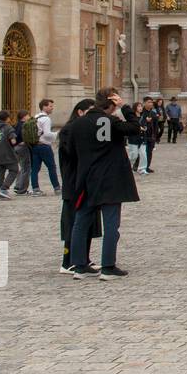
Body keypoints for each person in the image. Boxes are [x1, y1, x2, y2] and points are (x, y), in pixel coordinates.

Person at [62, 87, 141, 280]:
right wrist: (125, 107)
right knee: (111, 224)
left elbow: (71, 153)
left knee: (80, 224)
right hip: (109, 179)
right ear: (112, 102)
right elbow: (134, 128)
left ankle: (79, 266)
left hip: (86, 179)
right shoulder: (108, 121)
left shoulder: (77, 124)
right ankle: (108, 267)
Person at [56, 99, 100, 274]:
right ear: (80, 112)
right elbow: (73, 155)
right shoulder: (69, 130)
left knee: (88, 223)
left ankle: (84, 258)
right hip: (74, 182)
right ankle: (68, 261)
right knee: (73, 222)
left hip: (87, 181)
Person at [29, 98, 61, 196]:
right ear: (44, 107)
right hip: (44, 146)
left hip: (35, 145)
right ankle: (57, 188)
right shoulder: (46, 119)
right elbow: (47, 134)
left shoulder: (36, 116)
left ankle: (35, 189)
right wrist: (57, 134)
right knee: (51, 167)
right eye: (50, 106)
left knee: (35, 168)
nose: (52, 108)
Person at [0, 110, 19, 200]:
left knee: (0, 173)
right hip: (7, 155)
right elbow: (13, 140)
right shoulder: (8, 127)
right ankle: (4, 188)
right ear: (7, 118)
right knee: (14, 170)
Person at [11, 110, 33, 195]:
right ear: (24, 116)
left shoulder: (16, 124)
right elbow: (25, 137)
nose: (29, 117)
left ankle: (18, 185)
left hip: (16, 147)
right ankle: (22, 189)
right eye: (28, 115)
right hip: (23, 147)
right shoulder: (24, 125)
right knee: (26, 168)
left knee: (21, 167)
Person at [138, 98, 161, 173]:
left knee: (149, 152)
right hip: (143, 135)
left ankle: (147, 166)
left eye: (151, 102)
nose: (151, 103)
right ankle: (139, 166)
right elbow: (137, 123)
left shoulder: (153, 113)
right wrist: (145, 121)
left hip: (151, 135)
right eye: (149, 102)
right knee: (142, 152)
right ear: (144, 103)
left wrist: (155, 135)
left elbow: (156, 125)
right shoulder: (141, 113)